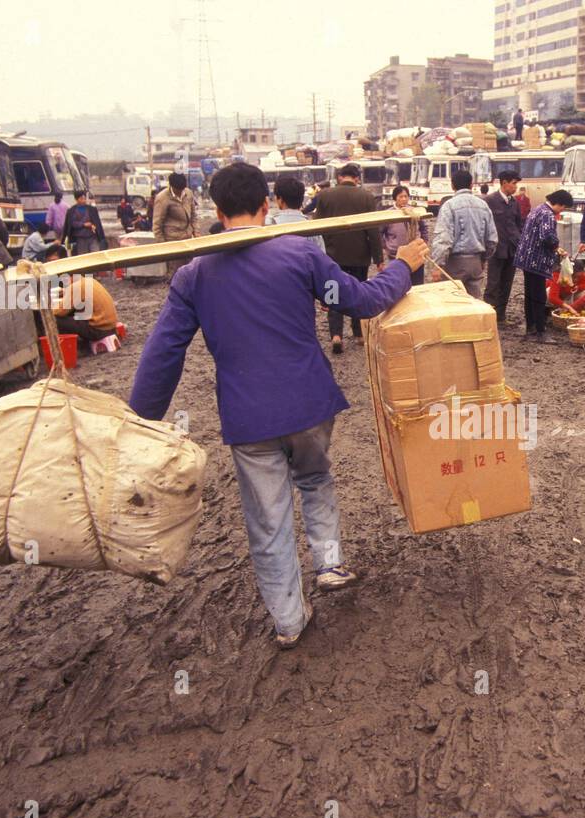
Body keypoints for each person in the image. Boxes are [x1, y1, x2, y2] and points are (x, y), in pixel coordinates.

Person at [128, 162, 430, 649]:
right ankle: (329, 563)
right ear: (266, 206)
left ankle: (289, 620)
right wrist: (404, 264)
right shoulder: (298, 256)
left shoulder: (193, 275)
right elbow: (364, 300)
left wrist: (139, 422)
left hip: (250, 418)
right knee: (314, 478)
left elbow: (163, 353)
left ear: (217, 209)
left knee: (268, 520)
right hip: (310, 403)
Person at [313, 163, 382, 353]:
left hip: (333, 257)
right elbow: (373, 230)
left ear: (340, 177)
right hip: (360, 256)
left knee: (333, 293)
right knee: (357, 292)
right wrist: (378, 258)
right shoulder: (367, 197)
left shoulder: (325, 196)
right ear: (357, 178)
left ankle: (336, 335)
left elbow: (317, 227)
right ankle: (358, 334)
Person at [514, 188, 575, 340]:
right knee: (539, 295)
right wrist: (557, 248)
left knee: (529, 294)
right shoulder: (548, 214)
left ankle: (531, 328)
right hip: (537, 260)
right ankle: (541, 331)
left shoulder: (537, 209)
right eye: (563, 207)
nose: (562, 210)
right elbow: (547, 236)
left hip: (526, 258)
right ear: (559, 203)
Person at [430, 168, 497, 301]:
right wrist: (483, 259)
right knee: (474, 303)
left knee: (453, 303)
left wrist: (437, 265)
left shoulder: (449, 206)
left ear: (452, 185)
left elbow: (443, 238)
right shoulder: (483, 205)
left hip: (454, 263)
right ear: (471, 184)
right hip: (476, 263)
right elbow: (492, 240)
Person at [484, 169, 522, 324]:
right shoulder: (489, 201)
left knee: (507, 284)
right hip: (496, 251)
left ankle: (501, 317)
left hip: (511, 251)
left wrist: (518, 242)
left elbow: (518, 224)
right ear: (504, 183)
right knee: (493, 285)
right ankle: (488, 318)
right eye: (514, 183)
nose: (516, 187)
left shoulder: (514, 203)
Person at [151, 172, 198, 276]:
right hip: (173, 241)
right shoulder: (162, 198)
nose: (180, 192)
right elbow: (157, 224)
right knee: (177, 274)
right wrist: (163, 246)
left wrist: (196, 233)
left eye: (182, 189)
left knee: (191, 271)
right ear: (171, 186)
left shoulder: (188, 193)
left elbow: (193, 215)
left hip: (188, 239)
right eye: (178, 190)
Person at [382, 184, 429, 286]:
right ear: (395, 198)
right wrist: (387, 246)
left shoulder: (415, 212)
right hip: (396, 256)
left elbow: (424, 229)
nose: (403, 199)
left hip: (416, 253)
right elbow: (380, 233)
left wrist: (424, 243)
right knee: (399, 285)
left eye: (406, 196)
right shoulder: (388, 214)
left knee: (416, 285)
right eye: (400, 197)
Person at [269, 177, 325, 250]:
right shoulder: (314, 230)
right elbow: (322, 257)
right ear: (301, 199)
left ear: (280, 200)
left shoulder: (269, 227)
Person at [62, 191, 105, 255]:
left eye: (84, 198)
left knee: (96, 254)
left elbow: (97, 223)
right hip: (80, 238)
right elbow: (71, 223)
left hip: (92, 236)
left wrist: (99, 233)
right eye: (81, 198)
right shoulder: (72, 211)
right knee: (83, 256)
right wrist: (83, 224)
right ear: (77, 199)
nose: (84, 200)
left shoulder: (92, 209)